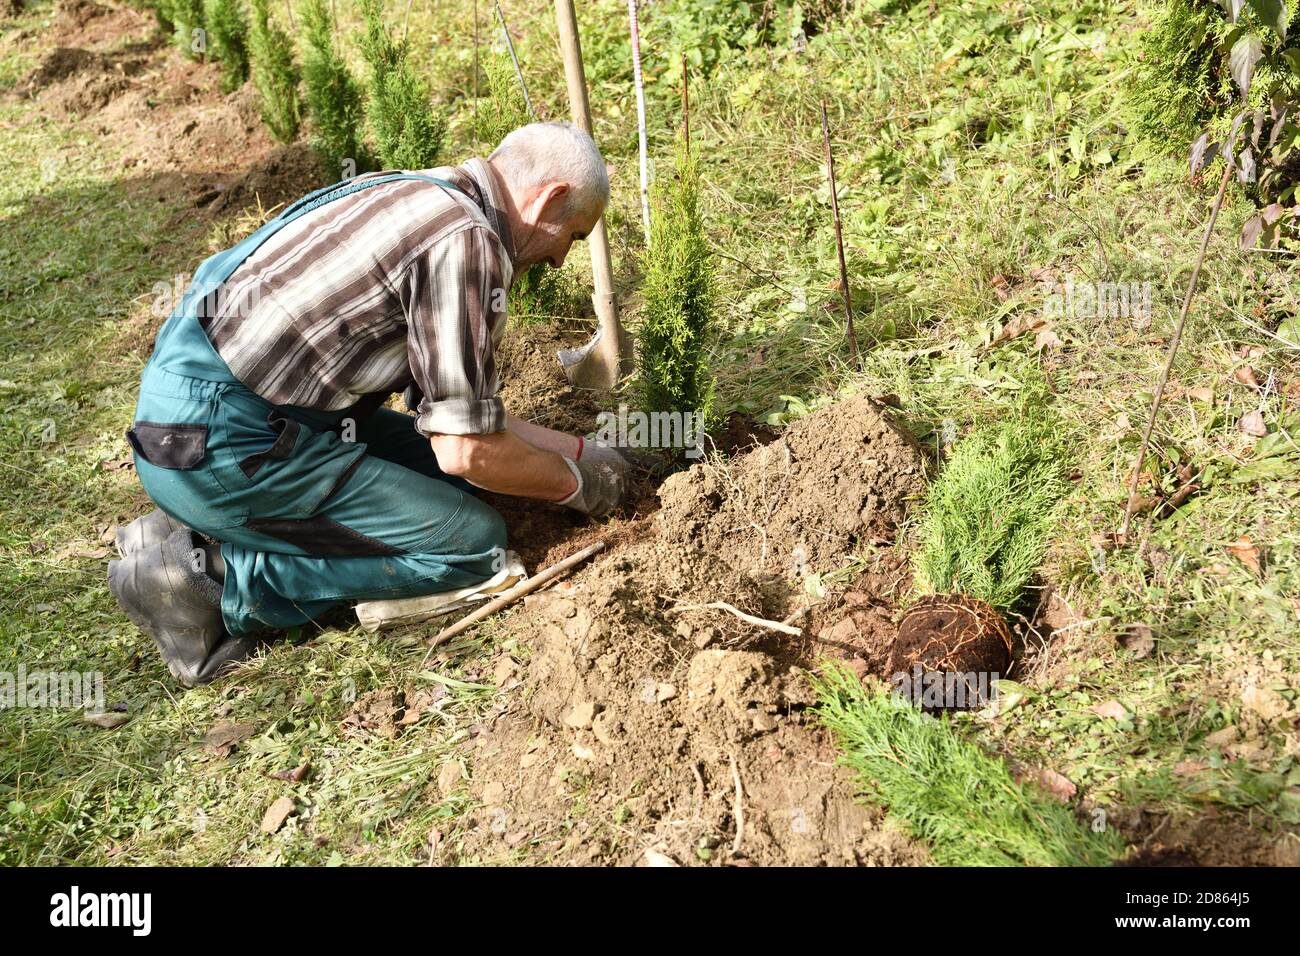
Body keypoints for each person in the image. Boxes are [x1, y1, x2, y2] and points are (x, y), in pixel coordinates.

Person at [108, 121, 634, 687]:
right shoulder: (465, 245)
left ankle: (183, 529)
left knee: (466, 487)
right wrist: (578, 485)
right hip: (221, 445)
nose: (559, 261)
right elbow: (465, 449)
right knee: (471, 547)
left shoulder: (424, 191)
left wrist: (585, 450)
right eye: (573, 236)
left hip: (194, 421)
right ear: (550, 198)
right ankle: (206, 582)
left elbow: (465, 418)